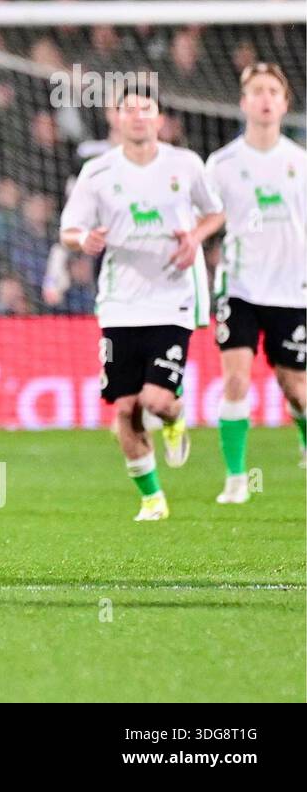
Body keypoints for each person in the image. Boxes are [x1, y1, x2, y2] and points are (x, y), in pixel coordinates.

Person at [58, 91, 224, 521]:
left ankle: (175, 414)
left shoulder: (185, 164)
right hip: (119, 304)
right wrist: (84, 240)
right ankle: (152, 498)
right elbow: (68, 231)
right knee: (125, 408)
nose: (136, 116)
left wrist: (195, 237)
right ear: (114, 118)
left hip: (173, 299)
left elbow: (215, 213)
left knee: (155, 400)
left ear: (159, 118)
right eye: (127, 109)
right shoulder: (97, 172)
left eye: (144, 109)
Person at [204, 62, 307, 500]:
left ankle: (302, 434)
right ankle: (235, 478)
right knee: (237, 380)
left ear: (284, 104)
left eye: (273, 92)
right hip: (240, 285)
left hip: (292, 287)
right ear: (244, 103)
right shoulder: (222, 164)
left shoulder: (300, 162)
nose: (265, 99)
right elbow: (204, 218)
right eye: (257, 91)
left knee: (296, 387)